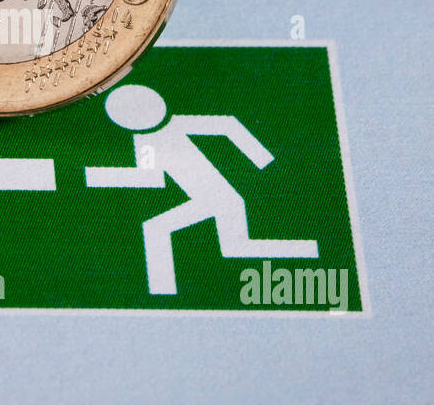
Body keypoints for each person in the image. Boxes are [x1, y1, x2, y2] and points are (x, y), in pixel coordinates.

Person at [86, 84, 318, 295]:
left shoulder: (172, 128)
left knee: (158, 228)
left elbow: (225, 126)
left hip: (217, 199)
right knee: (235, 246)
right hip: (220, 199)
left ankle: (163, 290)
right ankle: (304, 249)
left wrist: (260, 157)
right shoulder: (145, 140)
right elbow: (152, 176)